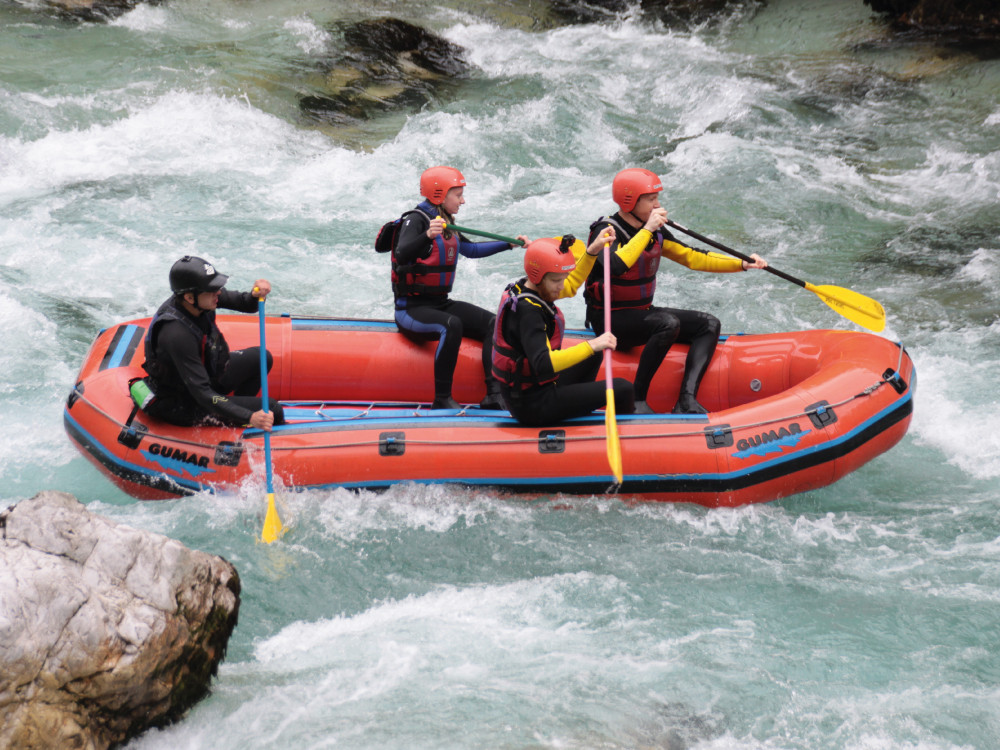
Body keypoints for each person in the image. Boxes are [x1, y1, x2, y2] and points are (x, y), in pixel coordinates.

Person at [585, 168, 768, 415]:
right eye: (650, 199)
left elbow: (692, 257)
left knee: (708, 324)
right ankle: (637, 399)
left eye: (656, 198)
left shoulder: (654, 230)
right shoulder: (606, 230)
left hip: (641, 314)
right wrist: (647, 229)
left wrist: (741, 263)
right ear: (630, 200)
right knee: (667, 324)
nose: (658, 204)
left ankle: (686, 399)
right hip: (609, 320)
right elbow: (616, 265)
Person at [392, 166, 529, 410]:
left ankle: (494, 395)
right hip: (410, 309)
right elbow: (401, 253)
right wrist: (426, 236)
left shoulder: (445, 222)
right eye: (458, 195)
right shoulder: (415, 220)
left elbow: (471, 250)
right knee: (451, 324)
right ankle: (442, 398)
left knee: (494, 323)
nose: (463, 200)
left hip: (439, 303)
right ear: (439, 195)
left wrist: (508, 245)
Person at [492, 230, 635, 427]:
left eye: (563, 278)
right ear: (538, 276)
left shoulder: (528, 288)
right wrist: (592, 344)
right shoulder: (528, 312)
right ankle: (627, 438)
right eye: (556, 281)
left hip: (538, 385)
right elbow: (543, 363)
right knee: (623, 388)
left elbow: (572, 284)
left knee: (593, 355)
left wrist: (592, 252)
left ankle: (575, 411)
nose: (562, 286)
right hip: (532, 404)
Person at [135, 255, 284, 430]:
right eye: (212, 290)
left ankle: (236, 421)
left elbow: (246, 303)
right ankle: (239, 417)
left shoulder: (199, 299)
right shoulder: (176, 334)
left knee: (262, 357)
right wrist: (250, 415)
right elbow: (202, 393)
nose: (218, 293)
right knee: (273, 409)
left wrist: (255, 295)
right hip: (186, 402)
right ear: (190, 297)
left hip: (207, 377)